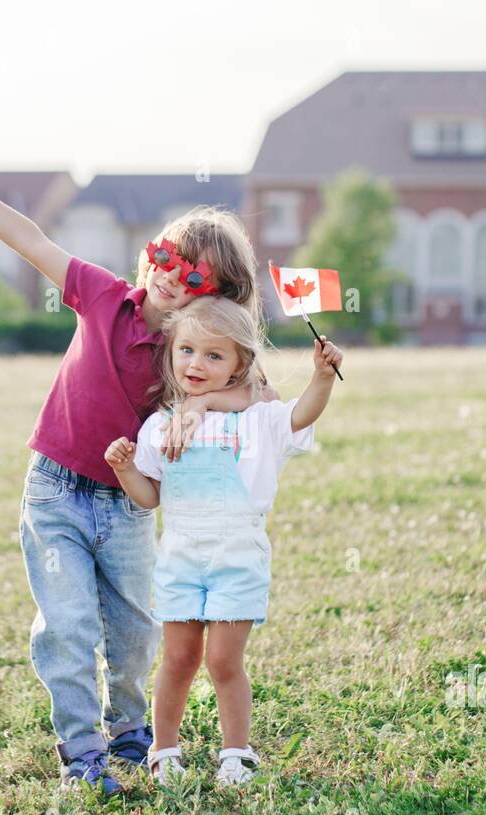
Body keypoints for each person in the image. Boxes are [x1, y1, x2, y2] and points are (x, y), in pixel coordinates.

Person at [0, 142, 275, 794]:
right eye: (167, 256)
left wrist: (203, 405)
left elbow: (264, 394)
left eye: (194, 276)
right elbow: (30, 239)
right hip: (55, 490)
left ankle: (128, 728)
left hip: (126, 505)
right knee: (67, 628)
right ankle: (82, 756)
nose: (171, 276)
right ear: (151, 252)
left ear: (220, 301)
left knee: (136, 633)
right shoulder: (101, 295)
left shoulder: (196, 354)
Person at [104, 295, 343, 786]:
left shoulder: (257, 421)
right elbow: (150, 498)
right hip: (180, 560)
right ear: (171, 352)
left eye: (215, 355)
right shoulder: (159, 427)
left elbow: (301, 415)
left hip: (238, 558)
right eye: (187, 350)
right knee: (178, 659)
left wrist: (321, 377)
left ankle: (237, 752)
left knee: (222, 660)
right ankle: (163, 749)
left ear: (240, 366)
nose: (197, 364)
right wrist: (126, 468)